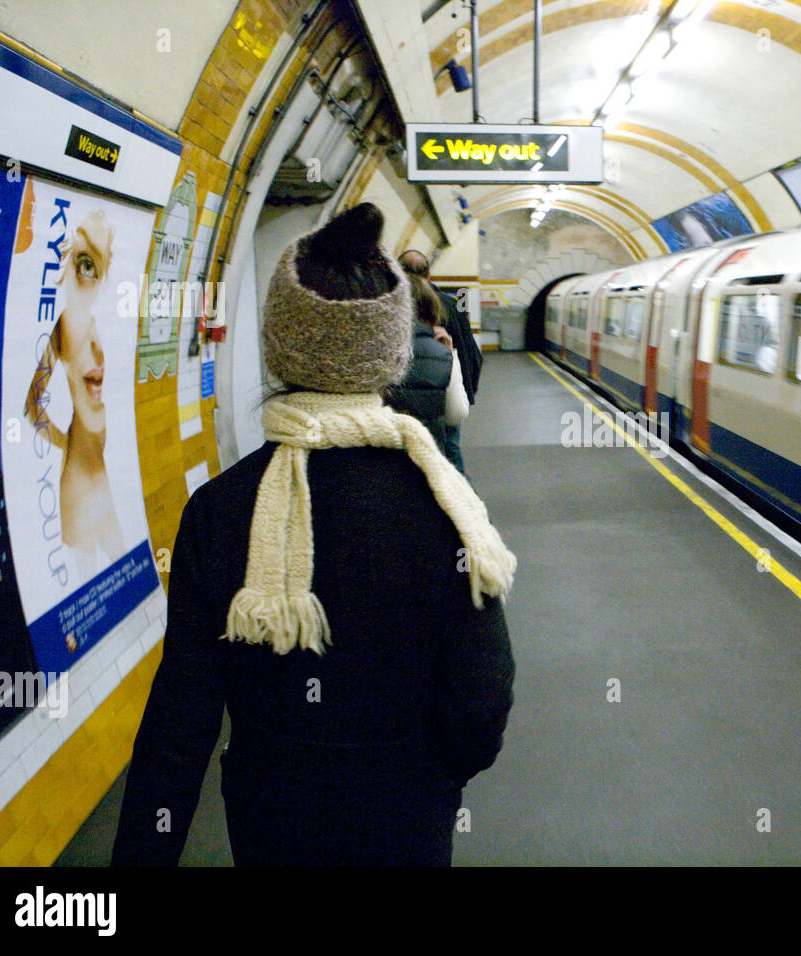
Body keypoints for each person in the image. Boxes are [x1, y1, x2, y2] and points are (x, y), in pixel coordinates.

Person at [111, 202, 516, 866]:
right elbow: (482, 696)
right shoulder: (446, 506)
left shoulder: (220, 509)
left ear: (279, 345)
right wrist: (433, 777)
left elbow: (181, 720)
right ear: (388, 354)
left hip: (272, 811)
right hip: (407, 816)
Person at [24, 210, 125, 582]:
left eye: (98, 266)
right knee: (88, 578)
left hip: (100, 475)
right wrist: (67, 444)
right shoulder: (68, 321)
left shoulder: (94, 323)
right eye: (84, 263)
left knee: (117, 571)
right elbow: (33, 405)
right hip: (80, 483)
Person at [398, 249, 481, 475]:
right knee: (450, 454)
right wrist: (465, 392)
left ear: (397, 273)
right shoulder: (451, 306)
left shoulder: (389, 308)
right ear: (430, 274)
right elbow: (472, 354)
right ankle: (461, 505)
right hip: (444, 397)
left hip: (399, 402)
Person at [385, 272, 468, 457]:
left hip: (382, 455)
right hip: (426, 457)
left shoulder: (375, 349)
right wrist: (450, 353)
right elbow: (456, 414)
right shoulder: (441, 353)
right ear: (431, 308)